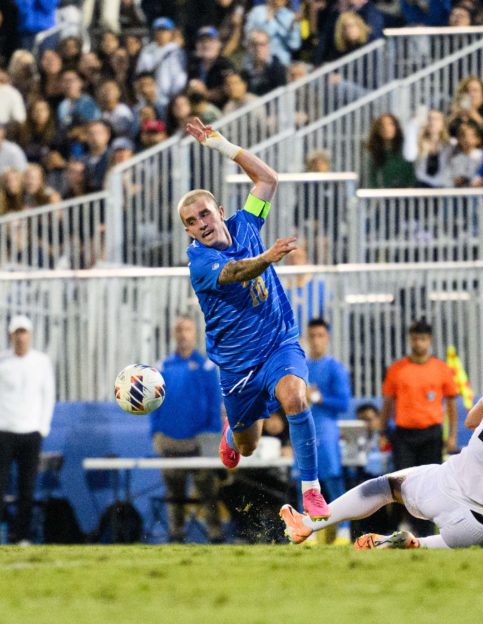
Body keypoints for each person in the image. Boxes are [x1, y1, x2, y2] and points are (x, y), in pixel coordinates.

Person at [280, 336, 483, 550]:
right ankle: (417, 545)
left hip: (445, 486)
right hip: (482, 524)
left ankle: (307, 524)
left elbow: (472, 420)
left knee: (385, 486)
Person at [178, 117, 330, 520]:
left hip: (279, 342)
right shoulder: (199, 260)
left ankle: (311, 489)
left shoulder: (245, 222)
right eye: (191, 223)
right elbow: (235, 273)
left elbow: (267, 180)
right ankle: (234, 430)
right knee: (246, 448)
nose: (200, 226)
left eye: (204, 215)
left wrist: (223, 146)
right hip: (238, 364)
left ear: (220, 211)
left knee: (295, 397)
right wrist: (266, 258)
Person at [379, 318, 459, 537]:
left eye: (422, 339)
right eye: (415, 338)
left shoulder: (442, 370)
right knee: (399, 486)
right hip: (403, 436)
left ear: (429, 340)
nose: (418, 343)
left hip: (431, 434)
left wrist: (452, 435)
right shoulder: (397, 370)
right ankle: (393, 532)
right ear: (409, 340)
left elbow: (451, 405)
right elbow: (387, 403)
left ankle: (427, 534)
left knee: (430, 487)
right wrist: (382, 432)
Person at [0, 315, 55, 546]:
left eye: (24, 332)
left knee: (27, 488)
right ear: (11, 335)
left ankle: (23, 535)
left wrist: (42, 427)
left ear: (30, 334)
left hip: (30, 431)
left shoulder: (42, 362)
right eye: (17, 333)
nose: (21, 337)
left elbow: (48, 395)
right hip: (4, 431)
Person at [152, 316, 225, 543]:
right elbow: (153, 402)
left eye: (188, 329)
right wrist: (155, 433)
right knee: (174, 491)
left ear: (195, 334)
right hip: (170, 440)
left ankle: (215, 532)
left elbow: (215, 403)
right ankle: (176, 532)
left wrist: (211, 437)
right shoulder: (162, 366)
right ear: (174, 334)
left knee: (207, 489)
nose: (183, 334)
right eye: (179, 329)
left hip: (199, 440)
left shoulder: (206, 366)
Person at [304, 318, 352, 543]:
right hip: (303, 431)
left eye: (320, 335)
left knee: (332, 480)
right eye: (312, 336)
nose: (316, 340)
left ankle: (343, 530)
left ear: (328, 338)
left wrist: (319, 397)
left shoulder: (335, 368)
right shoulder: (301, 368)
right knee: (305, 483)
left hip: (326, 430)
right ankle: (308, 531)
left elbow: (343, 404)